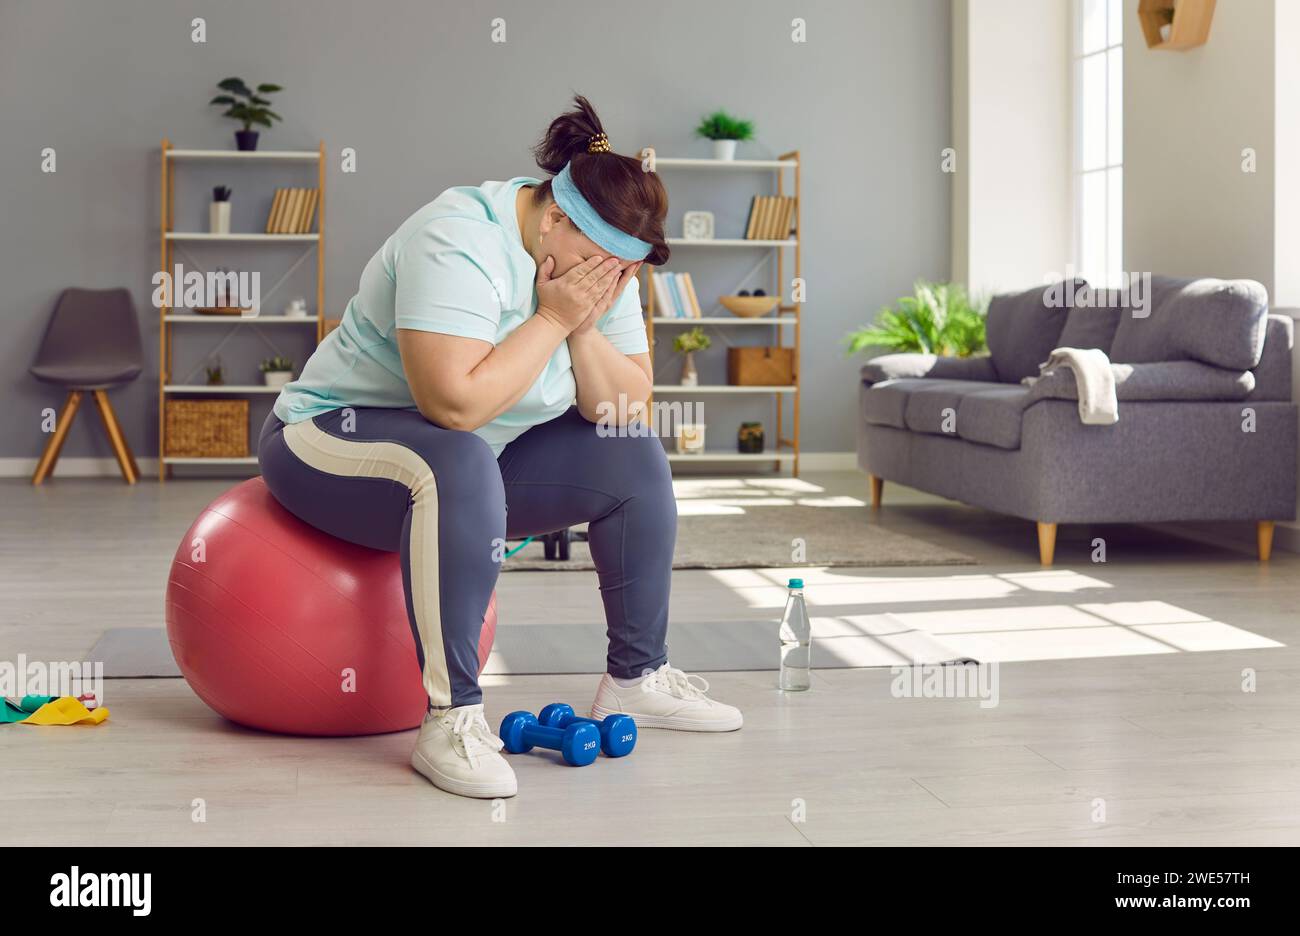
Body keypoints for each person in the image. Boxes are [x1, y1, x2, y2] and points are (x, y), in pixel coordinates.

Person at [258, 95, 742, 799]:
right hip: (330, 441)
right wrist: (554, 315)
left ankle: (637, 679)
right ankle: (450, 720)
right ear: (553, 218)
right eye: (601, 261)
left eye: (625, 270)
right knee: (456, 455)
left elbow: (624, 404)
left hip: (471, 463)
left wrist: (581, 327)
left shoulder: (603, 266)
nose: (611, 279)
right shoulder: (457, 237)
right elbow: (451, 404)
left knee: (631, 454)